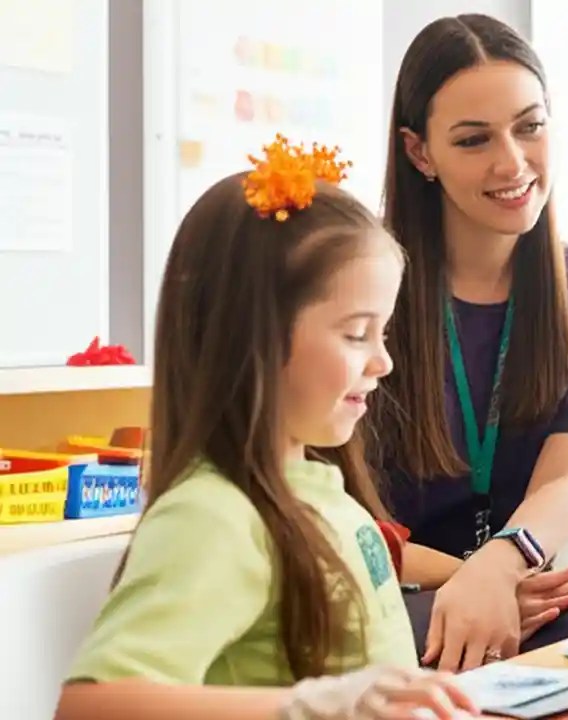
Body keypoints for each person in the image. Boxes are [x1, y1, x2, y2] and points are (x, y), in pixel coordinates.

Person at [55, 138, 477, 720]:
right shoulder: (213, 515)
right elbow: (89, 707)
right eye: (357, 334)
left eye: (383, 333)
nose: (383, 362)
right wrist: (311, 705)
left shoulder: (324, 496)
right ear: (253, 338)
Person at [376, 14, 568, 672]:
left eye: (530, 125)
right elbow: (322, 517)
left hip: (508, 572)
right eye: (473, 140)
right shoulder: (356, 286)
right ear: (419, 153)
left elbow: (567, 484)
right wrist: (473, 582)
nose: (512, 162)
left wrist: (501, 563)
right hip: (374, 581)